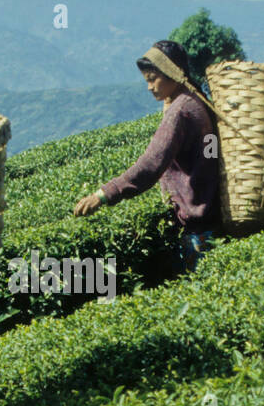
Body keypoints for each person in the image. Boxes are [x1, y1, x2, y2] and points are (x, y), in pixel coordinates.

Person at [73, 40, 220, 273]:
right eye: (147, 81)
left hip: (196, 226)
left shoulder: (181, 111)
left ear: (172, 73)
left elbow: (151, 164)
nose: (150, 87)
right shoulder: (195, 98)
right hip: (210, 216)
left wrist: (103, 195)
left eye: (153, 79)